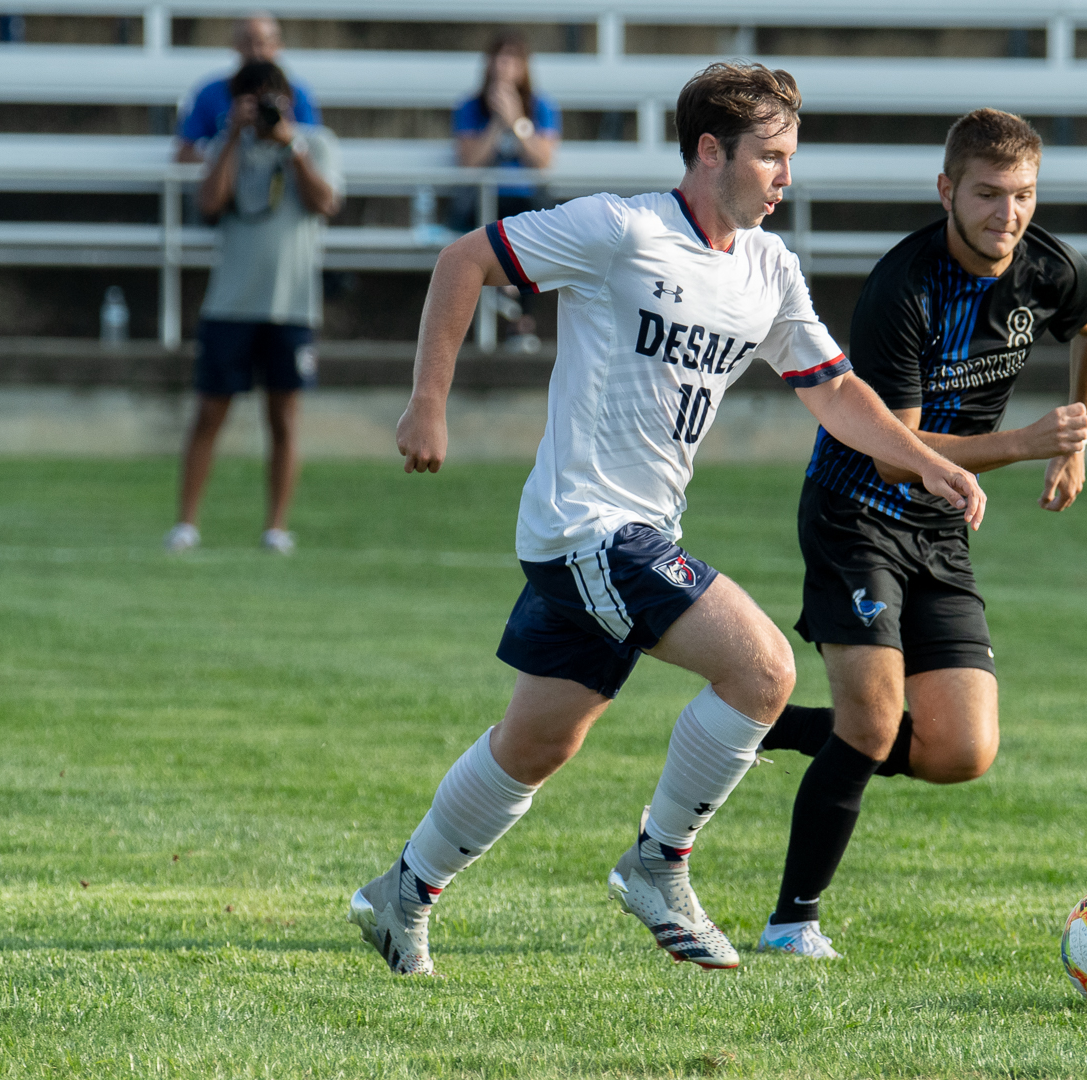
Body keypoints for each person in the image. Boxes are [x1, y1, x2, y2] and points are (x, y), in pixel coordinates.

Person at [347, 62, 987, 977]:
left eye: (791, 157)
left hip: (638, 532)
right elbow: (465, 260)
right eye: (770, 156)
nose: (786, 176)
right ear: (709, 151)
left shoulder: (768, 268)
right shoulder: (623, 230)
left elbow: (835, 389)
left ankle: (401, 894)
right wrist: (427, 403)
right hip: (588, 527)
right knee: (764, 669)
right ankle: (658, 863)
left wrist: (925, 459)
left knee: (539, 741)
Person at [753, 108, 1087, 959]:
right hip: (856, 515)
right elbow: (895, 456)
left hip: (942, 529)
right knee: (875, 724)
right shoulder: (903, 289)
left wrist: (1075, 439)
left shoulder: (1045, 267)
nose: (1007, 214)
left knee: (960, 750)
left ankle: (761, 727)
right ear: (947, 189)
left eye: (1023, 195)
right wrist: (1027, 444)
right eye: (987, 194)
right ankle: (791, 923)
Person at [164, 61, 343, 556]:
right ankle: (186, 524)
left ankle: (276, 528)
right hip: (231, 304)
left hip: (292, 306)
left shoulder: (316, 143)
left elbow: (325, 202)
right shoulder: (229, 147)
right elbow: (208, 204)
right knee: (208, 413)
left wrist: (290, 146)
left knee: (284, 418)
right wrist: (230, 137)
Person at [449, 30, 562, 348]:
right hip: (483, 198)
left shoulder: (541, 107)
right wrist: (497, 124)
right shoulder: (470, 107)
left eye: (513, 59)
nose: (504, 66)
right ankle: (517, 319)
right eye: (499, 58)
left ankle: (515, 313)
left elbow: (542, 160)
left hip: (526, 198)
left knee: (527, 228)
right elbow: (469, 162)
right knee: (499, 226)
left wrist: (516, 121)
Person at [173, 13, 319, 164]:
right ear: (235, 45)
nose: (255, 51)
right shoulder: (210, 93)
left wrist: (287, 135)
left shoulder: (296, 94)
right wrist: (231, 135)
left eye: (261, 43)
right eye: (247, 42)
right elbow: (184, 154)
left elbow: (315, 152)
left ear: (277, 45)